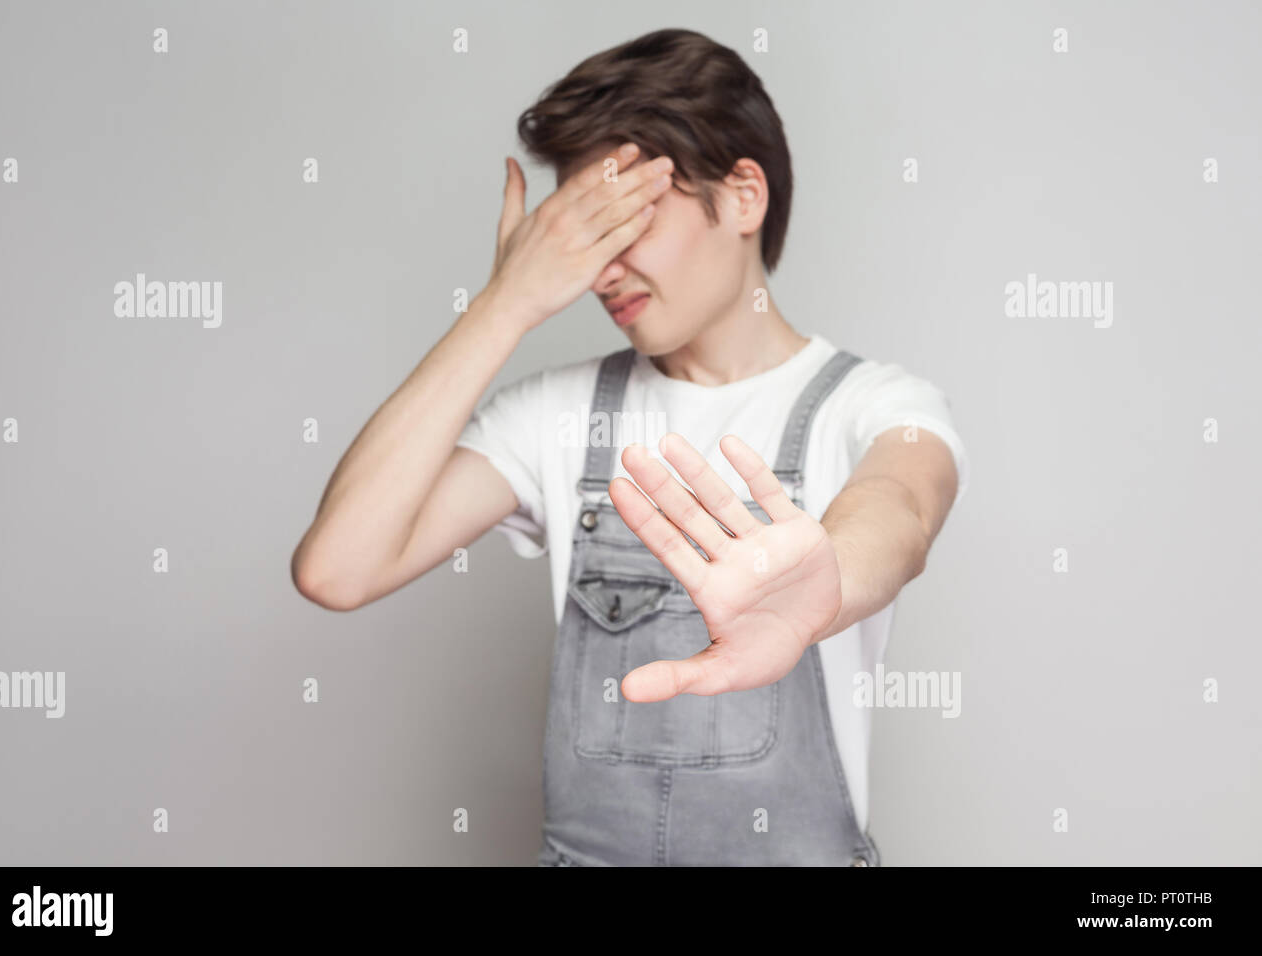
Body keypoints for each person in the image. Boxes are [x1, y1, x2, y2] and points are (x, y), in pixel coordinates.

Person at [291, 28, 968, 866]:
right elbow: (337, 567)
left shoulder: (876, 404)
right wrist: (503, 305)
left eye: (628, 217)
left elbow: (900, 506)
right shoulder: (552, 415)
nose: (601, 270)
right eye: (579, 233)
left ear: (744, 196)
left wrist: (827, 583)